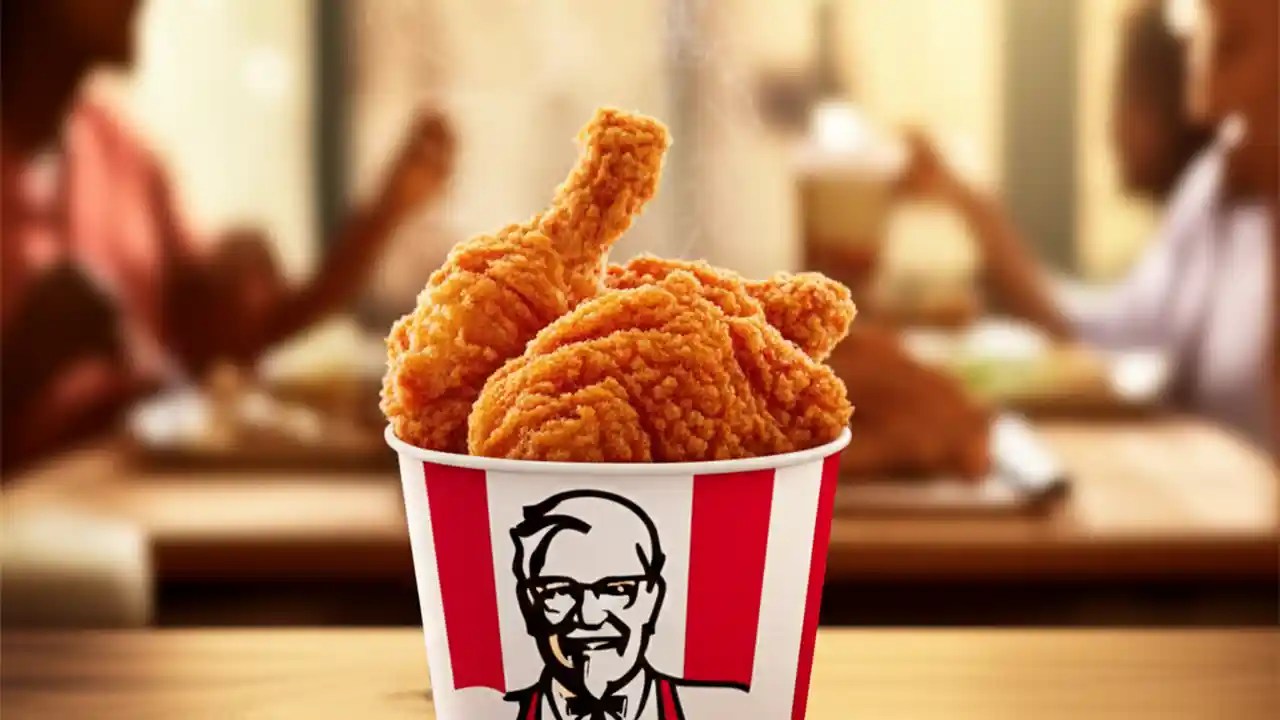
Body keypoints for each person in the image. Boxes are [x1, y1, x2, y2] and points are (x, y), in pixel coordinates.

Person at [0, 0, 454, 473]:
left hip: (126, 499)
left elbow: (231, 346)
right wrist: (22, 364)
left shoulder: (119, 150)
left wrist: (382, 216)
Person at [899, 0, 1276, 449]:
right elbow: (1107, 339)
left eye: (1232, 47)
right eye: (1200, 45)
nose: (1204, 104)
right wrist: (973, 205)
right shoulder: (1220, 186)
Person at [508, 491, 734, 720]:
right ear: (527, 604)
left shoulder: (723, 709)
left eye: (616, 590)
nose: (590, 617)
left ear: (652, 599)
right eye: (559, 592)